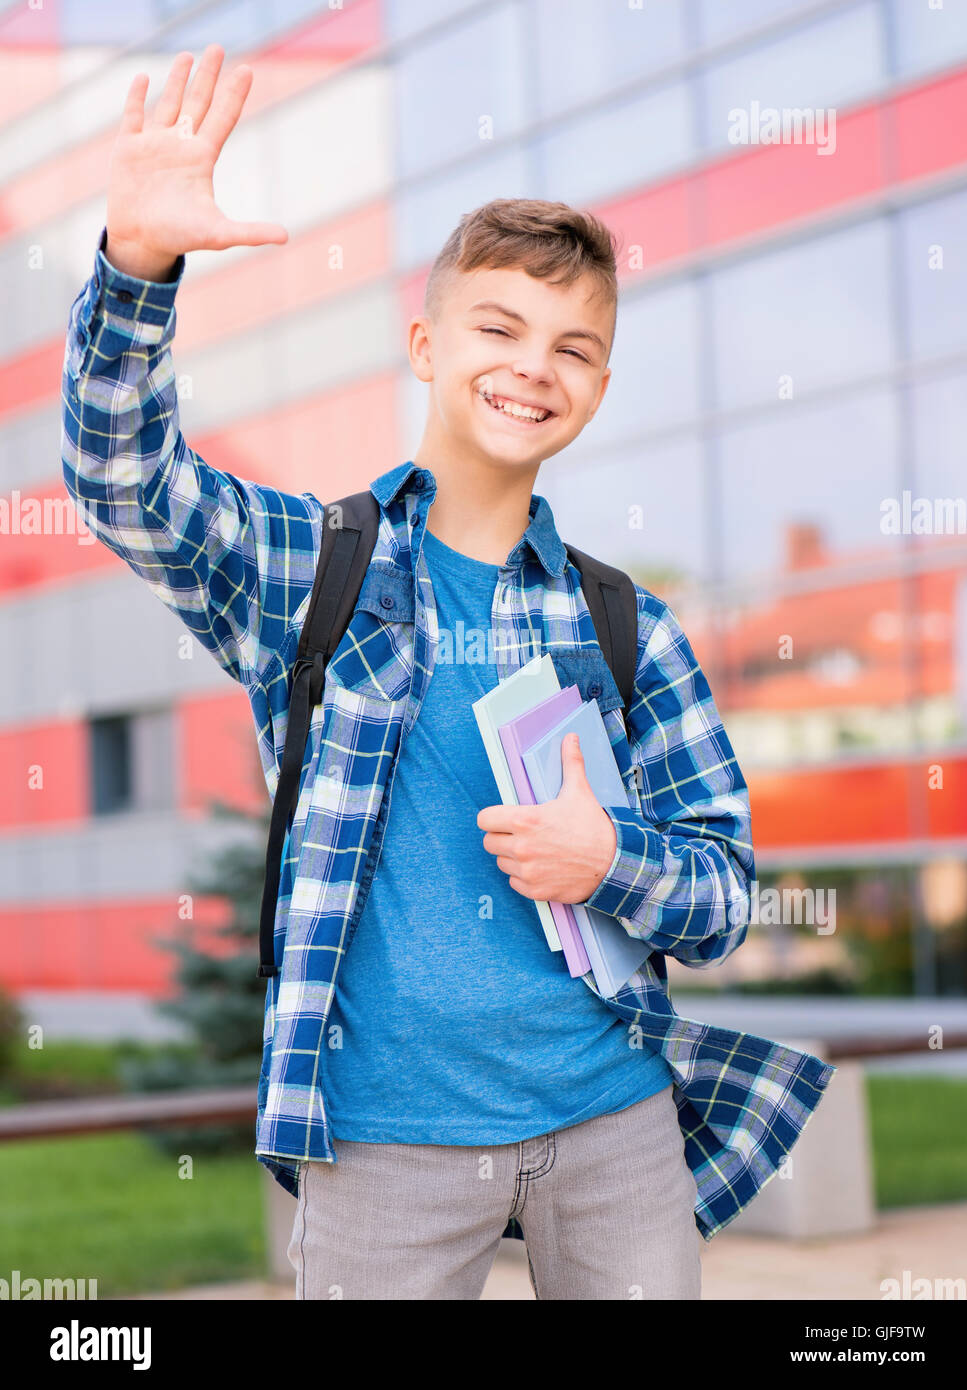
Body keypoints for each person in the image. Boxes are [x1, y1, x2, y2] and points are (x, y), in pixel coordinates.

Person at [61, 46, 835, 1301]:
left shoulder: (629, 623)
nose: (535, 365)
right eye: (501, 327)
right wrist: (140, 266)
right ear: (425, 343)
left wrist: (611, 864)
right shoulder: (312, 568)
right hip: (386, 1145)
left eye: (574, 348)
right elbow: (120, 481)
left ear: (596, 389)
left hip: (614, 1128)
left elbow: (727, 894)